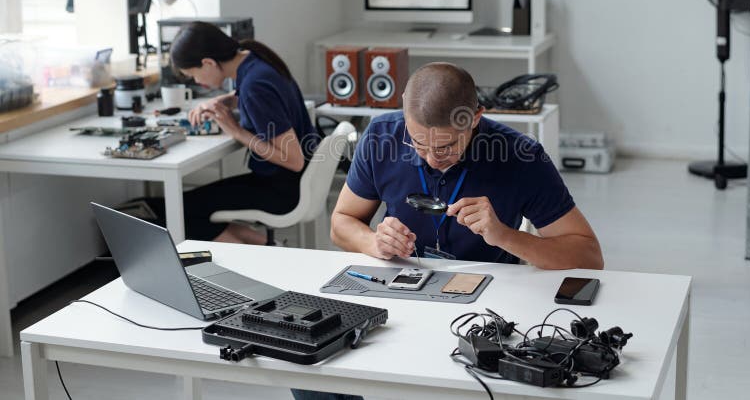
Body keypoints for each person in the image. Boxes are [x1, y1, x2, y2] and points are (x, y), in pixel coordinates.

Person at [292, 63, 602, 400]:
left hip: (488, 302)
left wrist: (504, 236)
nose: (431, 158)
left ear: (476, 117)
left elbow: (587, 254)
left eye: (445, 147)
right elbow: (341, 223)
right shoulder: (382, 136)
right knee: (314, 375)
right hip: (404, 288)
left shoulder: (521, 156)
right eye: (418, 145)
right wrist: (374, 242)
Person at [165, 21, 319, 244]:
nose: (196, 82)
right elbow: (258, 97)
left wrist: (237, 131)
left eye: (193, 75)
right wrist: (223, 101)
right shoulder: (256, 59)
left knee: (183, 210)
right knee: (195, 204)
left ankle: (254, 262)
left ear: (208, 62)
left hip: (282, 189)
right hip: (293, 182)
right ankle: (268, 248)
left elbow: (293, 159)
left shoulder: (255, 86)